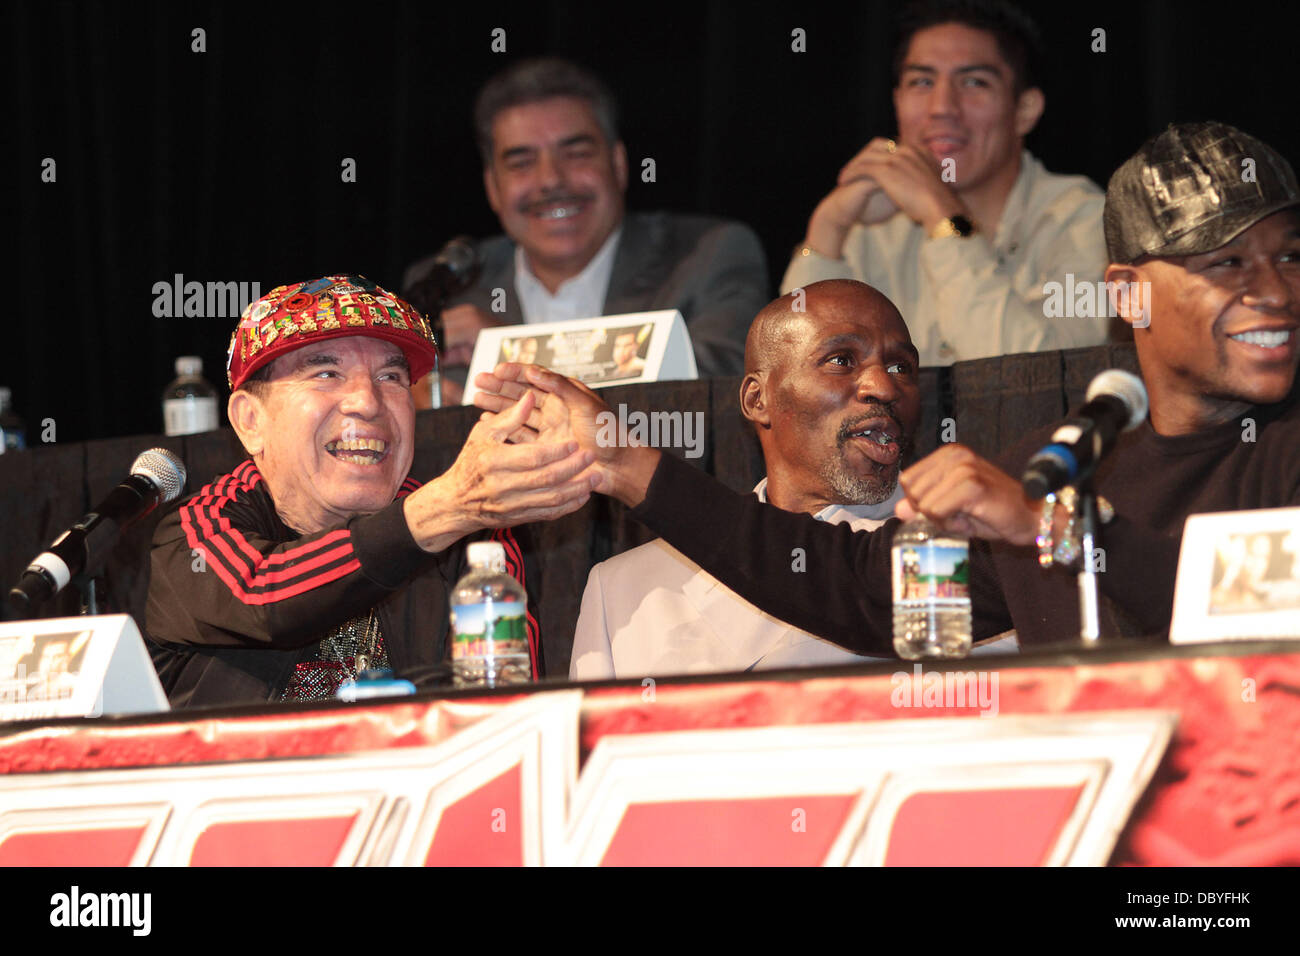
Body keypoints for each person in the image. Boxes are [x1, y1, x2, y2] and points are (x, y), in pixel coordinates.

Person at [475, 121, 1300, 654]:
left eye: (1290, 255)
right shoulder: (1062, 464)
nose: (1273, 290)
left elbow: (1252, 604)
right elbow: (850, 588)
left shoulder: (1045, 496)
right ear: (1128, 294)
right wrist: (628, 463)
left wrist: (1046, 524)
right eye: (1227, 262)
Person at [146, 275, 599, 707]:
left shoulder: (470, 535)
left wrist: (453, 513)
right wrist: (443, 510)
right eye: (325, 373)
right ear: (251, 421)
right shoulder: (197, 531)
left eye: (390, 378)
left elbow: (511, 712)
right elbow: (265, 596)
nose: (367, 401)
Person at [571, 280, 919, 678]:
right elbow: (594, 739)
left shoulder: (967, 553)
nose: (885, 386)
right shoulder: (625, 590)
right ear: (758, 400)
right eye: (841, 361)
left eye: (900, 367)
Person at [404, 57, 770, 403]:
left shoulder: (708, 256)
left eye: (576, 153)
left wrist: (511, 352)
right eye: (522, 162)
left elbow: (715, 394)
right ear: (492, 187)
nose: (550, 180)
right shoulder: (446, 291)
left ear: (619, 164)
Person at [781, 0, 1110, 365]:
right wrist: (828, 229)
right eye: (922, 82)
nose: (942, 107)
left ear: (1024, 110)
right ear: (898, 102)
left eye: (973, 82)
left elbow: (1042, 383)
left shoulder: (1084, 219)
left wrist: (943, 219)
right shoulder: (870, 228)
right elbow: (793, 381)